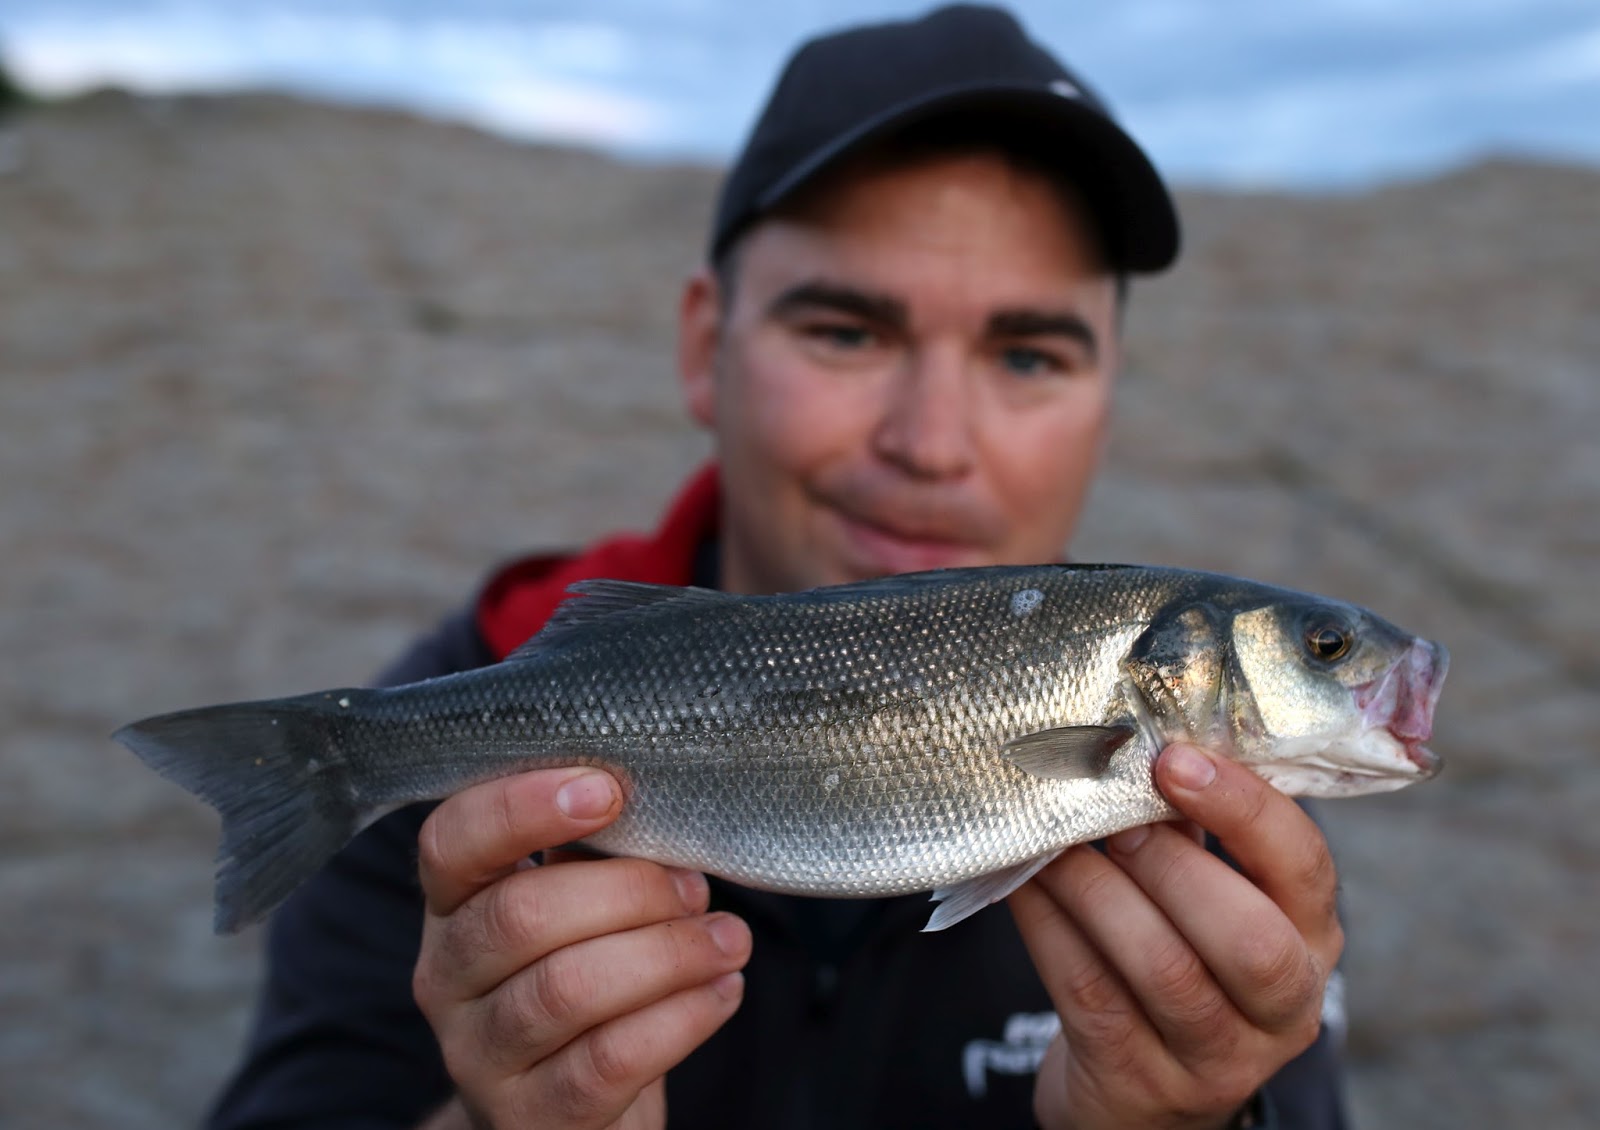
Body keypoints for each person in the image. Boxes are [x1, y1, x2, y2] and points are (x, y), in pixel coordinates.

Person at [207, 6, 1348, 1128]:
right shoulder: (457, 720)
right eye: (846, 332)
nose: (931, 441)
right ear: (707, 348)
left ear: (1108, 397)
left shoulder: (1217, 829)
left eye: (1027, 354)